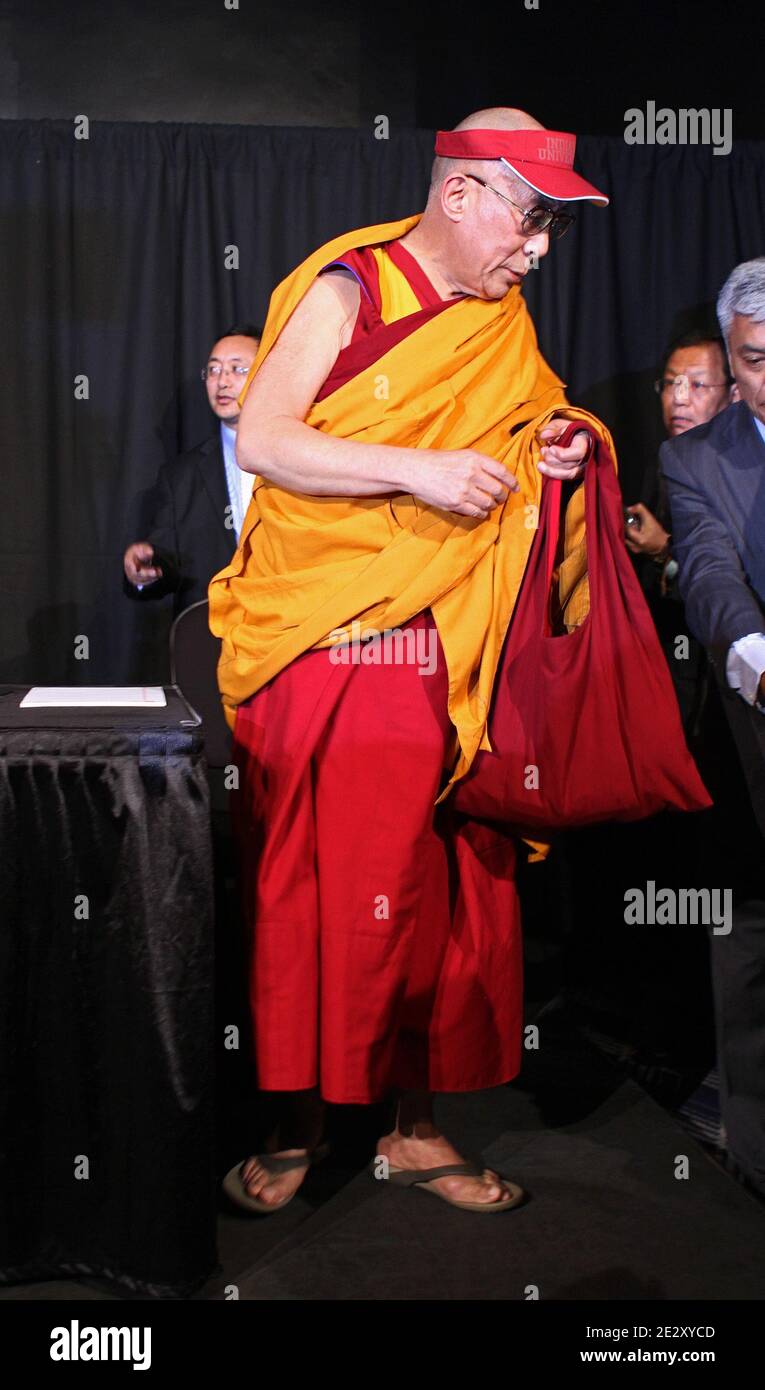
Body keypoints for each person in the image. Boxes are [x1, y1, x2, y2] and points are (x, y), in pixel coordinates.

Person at [209, 108, 611, 1214]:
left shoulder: (504, 325)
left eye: (550, 232)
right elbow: (269, 438)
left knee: (436, 887)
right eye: (529, 219)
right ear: (461, 194)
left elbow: (522, 446)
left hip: (451, 645)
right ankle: (298, 1118)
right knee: (313, 884)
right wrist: (421, 472)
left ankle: (417, 1126)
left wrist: (558, 457)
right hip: (329, 635)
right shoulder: (351, 288)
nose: (534, 250)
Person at [662, 258, 765, 1198]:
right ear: (731, 367)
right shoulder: (697, 457)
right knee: (746, 926)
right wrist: (757, 662)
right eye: (760, 361)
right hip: (754, 720)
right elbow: (706, 571)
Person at [625, 330, 735, 729]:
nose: (679, 397)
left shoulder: (746, 475)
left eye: (697, 384)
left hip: (726, 686)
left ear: (734, 393)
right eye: (670, 383)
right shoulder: (665, 461)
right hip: (671, 668)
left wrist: (665, 553)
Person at [123, 325, 261, 614]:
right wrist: (144, 571)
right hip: (210, 637)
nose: (222, 381)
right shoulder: (180, 476)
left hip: (291, 633)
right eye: (213, 370)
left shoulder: (301, 458)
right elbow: (165, 563)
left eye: (238, 369)